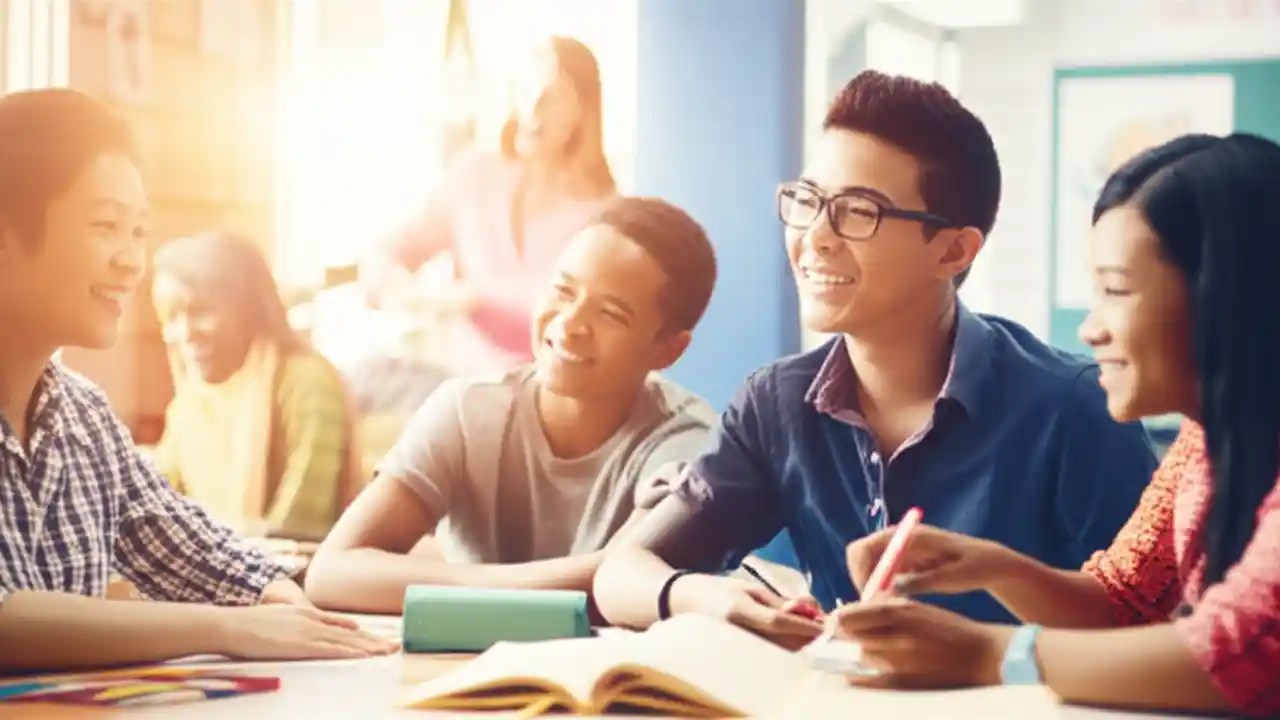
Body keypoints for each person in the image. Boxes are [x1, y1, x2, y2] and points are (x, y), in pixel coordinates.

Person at [592, 71, 1157, 646]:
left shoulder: (1077, 408)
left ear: (953, 250)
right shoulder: (776, 405)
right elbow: (620, 572)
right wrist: (708, 597)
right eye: (808, 201)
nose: (816, 236)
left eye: (859, 211)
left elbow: (1147, 629)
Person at [835, 134, 1280, 717]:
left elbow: (1234, 654)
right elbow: (1123, 605)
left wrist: (989, 654)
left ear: (1226, 297)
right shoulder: (1205, 440)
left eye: (1116, 291)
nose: (1091, 329)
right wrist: (991, 565)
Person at [0, 88, 395, 670]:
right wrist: (230, 628)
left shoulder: (82, 415)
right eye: (106, 225)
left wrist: (286, 606)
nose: (132, 261)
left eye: (138, 232)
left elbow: (188, 546)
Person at [306, 197, 718, 613]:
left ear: (668, 349)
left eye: (611, 313)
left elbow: (620, 590)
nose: (570, 323)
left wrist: (445, 582)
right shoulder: (469, 411)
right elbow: (332, 573)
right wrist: (572, 575)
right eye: (562, 290)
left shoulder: (686, 443)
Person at [360, 35, 617, 373]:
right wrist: (397, 291)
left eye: (551, 98)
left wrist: (474, 299)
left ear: (583, 110)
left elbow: (563, 319)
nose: (533, 110)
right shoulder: (474, 175)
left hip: (547, 397)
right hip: (455, 389)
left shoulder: (605, 217)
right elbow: (387, 252)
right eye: (525, 92)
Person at [151, 232, 358, 542]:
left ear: (247, 309)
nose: (185, 333)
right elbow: (156, 506)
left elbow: (299, 529)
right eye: (171, 317)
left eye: (201, 311)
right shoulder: (189, 402)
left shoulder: (306, 383)